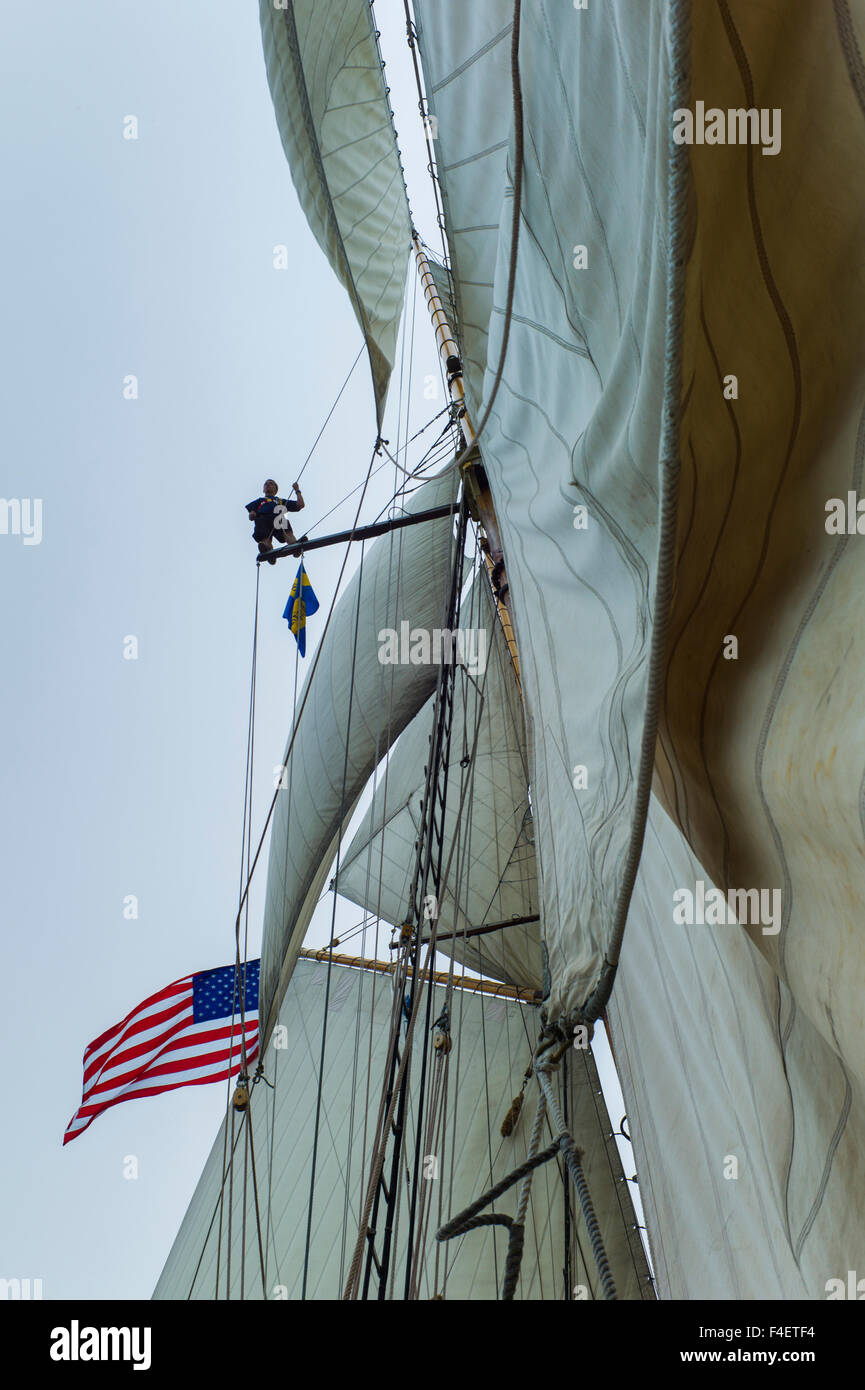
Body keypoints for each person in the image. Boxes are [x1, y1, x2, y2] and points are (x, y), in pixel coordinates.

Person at [246, 480, 305, 564]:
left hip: (278, 519)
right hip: (263, 520)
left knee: (283, 522)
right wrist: (252, 514)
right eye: (266, 484)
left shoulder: (280, 501)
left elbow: (300, 505)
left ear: (275, 489)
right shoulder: (259, 501)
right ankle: (267, 549)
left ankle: (293, 545)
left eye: (271, 483)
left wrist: (297, 491)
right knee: (261, 526)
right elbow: (251, 514)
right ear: (263, 489)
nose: (268, 485)